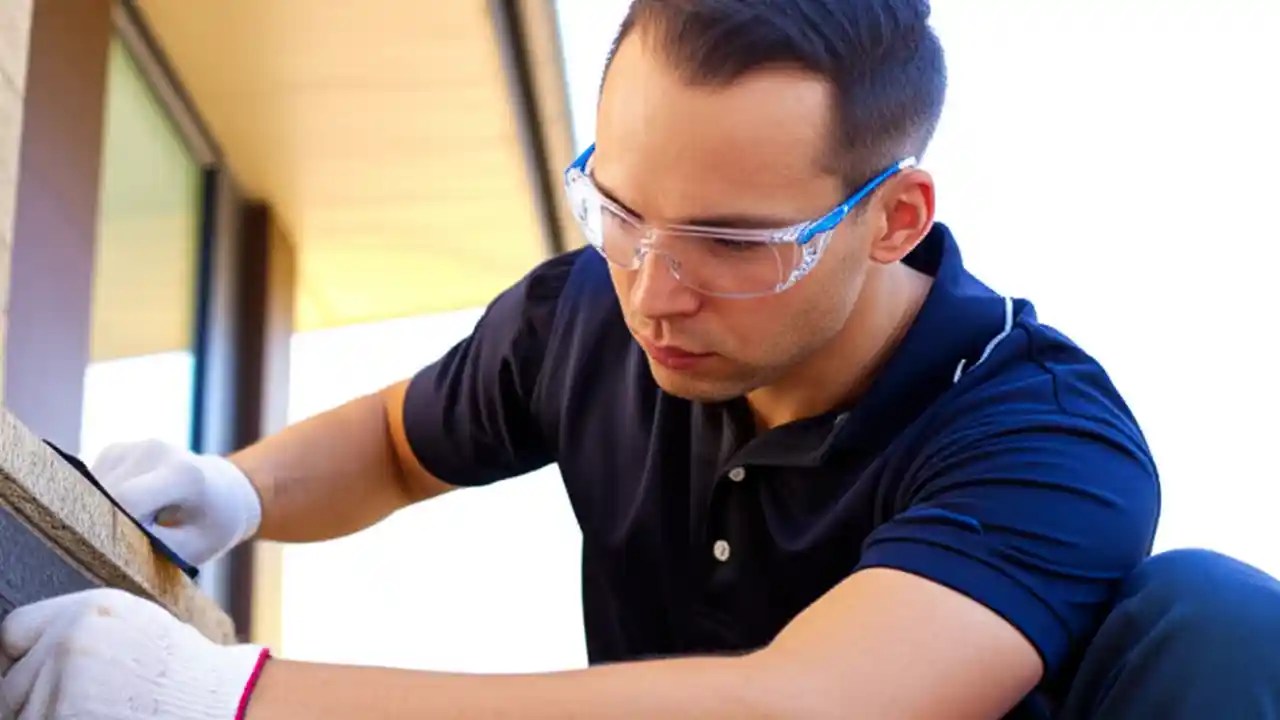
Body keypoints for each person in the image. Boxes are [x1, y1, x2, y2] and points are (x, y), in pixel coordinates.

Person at [3, 1, 1279, 718]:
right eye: (617, 210)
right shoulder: (593, 313)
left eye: (731, 240)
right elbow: (398, 442)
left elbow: (809, 710)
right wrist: (238, 490)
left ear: (893, 217)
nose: (651, 292)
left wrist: (235, 700)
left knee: (1219, 617)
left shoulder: (1038, 439)